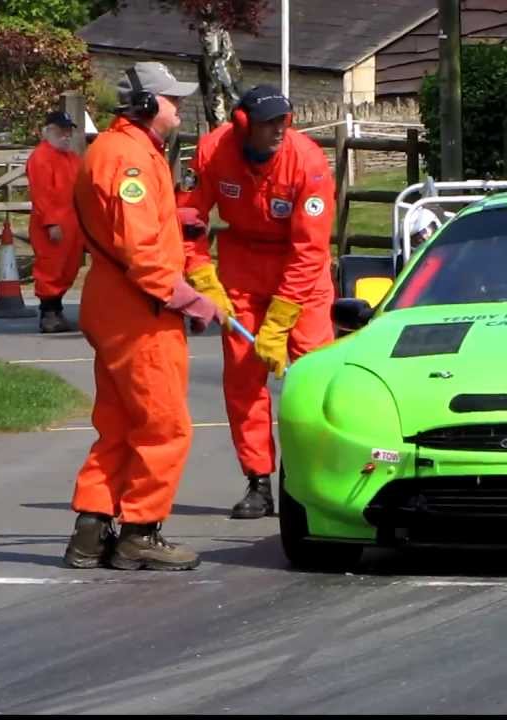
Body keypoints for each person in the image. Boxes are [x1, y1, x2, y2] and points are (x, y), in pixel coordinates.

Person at [64, 61, 224, 571]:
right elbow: (139, 248)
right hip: (138, 313)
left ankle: (91, 533)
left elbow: (132, 228)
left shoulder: (124, 151)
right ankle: (139, 532)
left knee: (118, 425)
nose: (179, 106)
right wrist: (183, 296)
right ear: (150, 106)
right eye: (172, 98)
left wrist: (177, 223)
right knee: (164, 426)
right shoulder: (129, 158)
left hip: (119, 307)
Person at [179, 85, 336, 520]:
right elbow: (188, 220)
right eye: (268, 122)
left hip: (301, 275)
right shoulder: (212, 152)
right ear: (244, 124)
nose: (279, 130)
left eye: (283, 120)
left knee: (312, 380)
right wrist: (204, 278)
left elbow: (310, 250)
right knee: (243, 380)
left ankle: (313, 480)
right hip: (241, 270)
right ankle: (258, 481)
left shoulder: (308, 162)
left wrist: (281, 320)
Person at [25, 110, 84, 333]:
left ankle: (56, 312)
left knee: (68, 268)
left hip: (72, 224)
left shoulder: (70, 158)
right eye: (62, 130)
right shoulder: (41, 158)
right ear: (48, 131)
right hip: (52, 226)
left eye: (68, 130)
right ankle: (48, 314)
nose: (66, 135)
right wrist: (51, 224)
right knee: (50, 268)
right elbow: (41, 194)